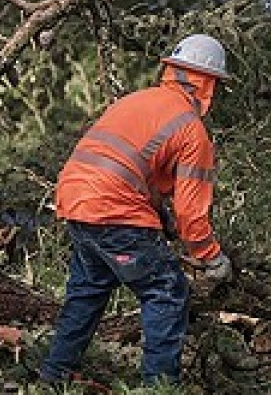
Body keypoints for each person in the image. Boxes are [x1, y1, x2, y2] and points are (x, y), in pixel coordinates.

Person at [40, 34, 234, 387]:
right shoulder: (192, 130)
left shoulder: (138, 100)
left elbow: (136, 172)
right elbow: (192, 213)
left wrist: (161, 220)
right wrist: (212, 258)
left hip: (75, 200)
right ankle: (159, 388)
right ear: (209, 85)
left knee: (87, 292)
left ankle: (54, 376)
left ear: (172, 71)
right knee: (166, 290)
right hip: (113, 208)